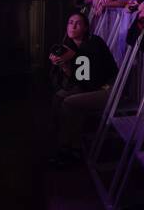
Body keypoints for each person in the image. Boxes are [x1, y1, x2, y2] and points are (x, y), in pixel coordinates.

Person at [49, 11, 119, 167]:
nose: (73, 26)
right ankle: (61, 143)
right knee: (59, 96)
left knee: (69, 102)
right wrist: (64, 65)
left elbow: (94, 79)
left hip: (108, 88)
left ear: (86, 28)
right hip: (91, 86)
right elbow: (81, 79)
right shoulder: (71, 46)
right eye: (70, 22)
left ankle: (71, 150)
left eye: (78, 23)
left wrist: (73, 57)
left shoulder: (94, 42)